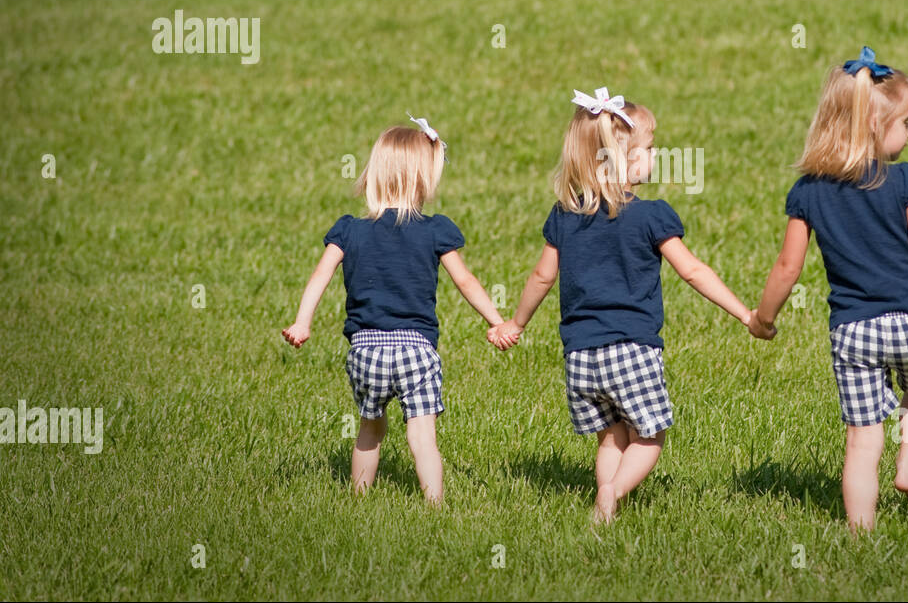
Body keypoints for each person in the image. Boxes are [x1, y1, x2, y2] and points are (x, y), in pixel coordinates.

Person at [491, 87, 752, 523]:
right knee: (650, 436)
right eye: (650, 149)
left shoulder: (564, 216)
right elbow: (693, 271)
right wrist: (745, 314)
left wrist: (516, 323)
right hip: (631, 349)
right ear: (625, 160)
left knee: (611, 437)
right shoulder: (651, 216)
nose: (655, 157)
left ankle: (603, 513)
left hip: (580, 356)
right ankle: (611, 493)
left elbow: (541, 276)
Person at [749, 48, 908, 531]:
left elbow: (788, 266)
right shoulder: (906, 181)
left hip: (853, 334)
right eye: (907, 121)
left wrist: (764, 318)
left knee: (861, 438)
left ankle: (860, 532)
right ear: (878, 127)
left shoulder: (808, 191)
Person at [282, 115, 510, 504]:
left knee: (370, 429)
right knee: (422, 436)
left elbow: (319, 277)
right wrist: (497, 321)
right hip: (416, 351)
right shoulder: (435, 229)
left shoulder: (349, 230)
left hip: (365, 351)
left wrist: (302, 322)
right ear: (424, 179)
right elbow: (466, 281)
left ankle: (358, 499)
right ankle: (435, 506)